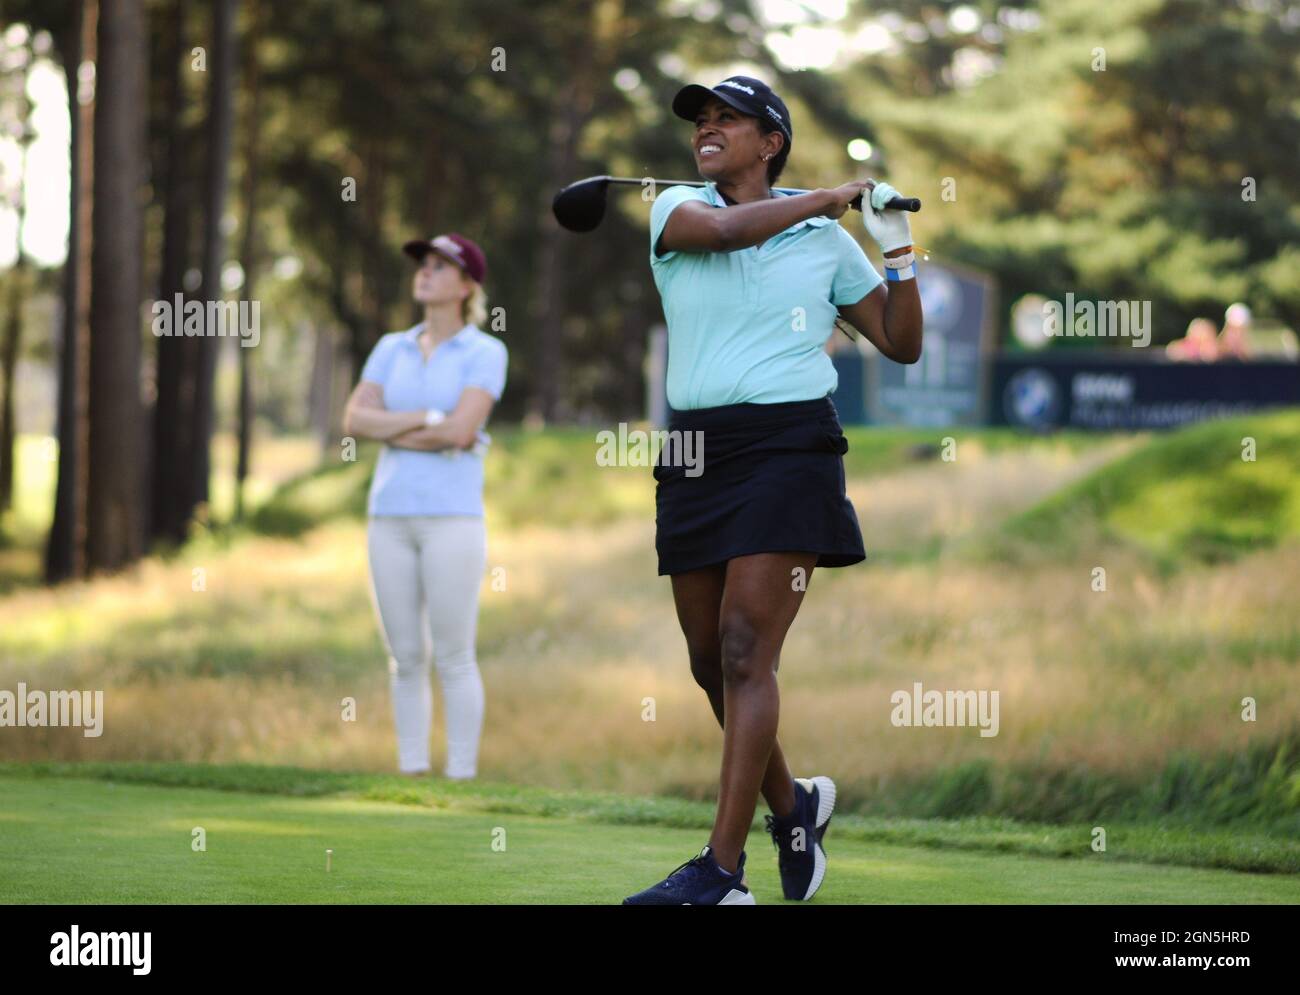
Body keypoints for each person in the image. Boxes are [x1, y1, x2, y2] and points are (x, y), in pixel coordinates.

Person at [622, 76, 923, 905]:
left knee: (748, 648)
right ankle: (794, 809)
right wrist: (828, 199)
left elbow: (900, 344)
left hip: (790, 445)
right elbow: (722, 231)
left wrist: (895, 250)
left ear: (771, 142)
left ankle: (723, 872)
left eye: (729, 119)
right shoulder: (676, 211)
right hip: (693, 450)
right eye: (701, 121)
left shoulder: (825, 244)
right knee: (708, 660)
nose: (708, 130)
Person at [342, 233, 507, 780]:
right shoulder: (391, 346)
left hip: (451, 520)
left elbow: (462, 432)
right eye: (424, 265)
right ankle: (411, 773)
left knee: (453, 654)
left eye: (440, 266)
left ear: (465, 285)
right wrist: (427, 420)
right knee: (405, 655)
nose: (426, 273)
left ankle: (461, 777)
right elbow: (354, 420)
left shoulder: (486, 351)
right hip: (389, 517)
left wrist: (400, 426)